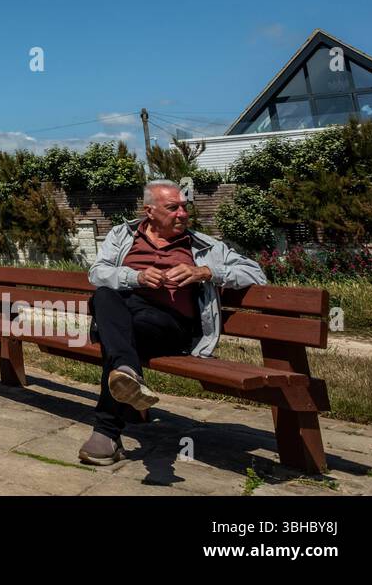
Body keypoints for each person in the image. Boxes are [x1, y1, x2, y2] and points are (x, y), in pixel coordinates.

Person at [77, 179, 267, 466]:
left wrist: (204, 271)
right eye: (173, 208)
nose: (182, 213)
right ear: (149, 211)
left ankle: (109, 423)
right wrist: (136, 277)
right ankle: (125, 378)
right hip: (127, 320)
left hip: (169, 326)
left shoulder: (203, 245)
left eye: (184, 207)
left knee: (118, 340)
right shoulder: (122, 236)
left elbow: (256, 274)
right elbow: (98, 273)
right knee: (105, 295)